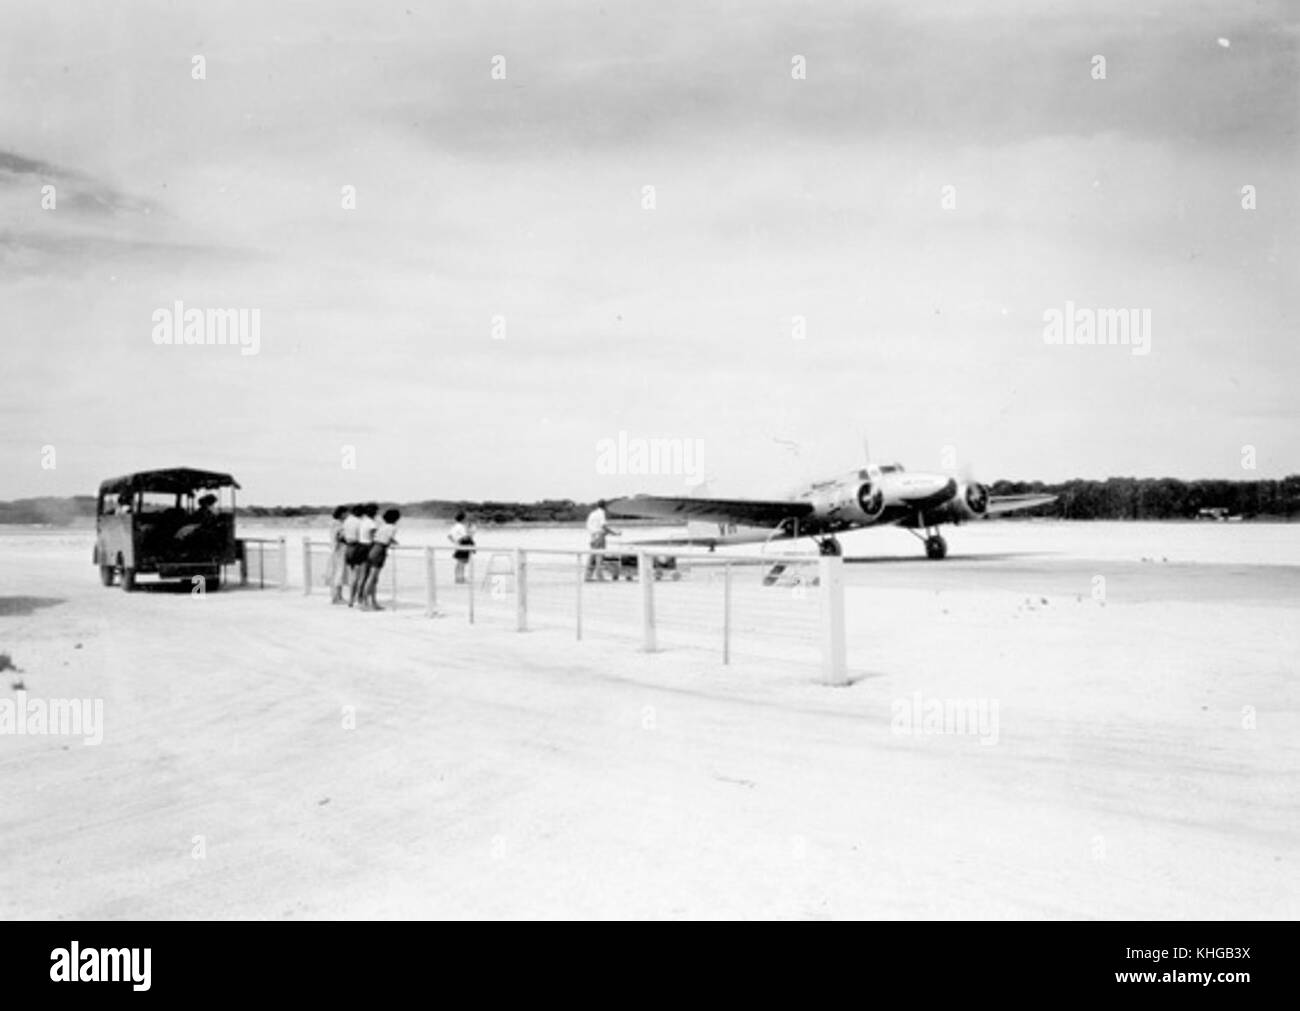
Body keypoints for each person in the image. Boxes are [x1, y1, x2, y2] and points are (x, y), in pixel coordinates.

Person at [359, 509, 400, 611]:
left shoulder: (382, 526)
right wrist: (394, 542)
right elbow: (387, 539)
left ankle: (372, 602)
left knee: (372, 578)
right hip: (380, 550)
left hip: (373, 548)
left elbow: (379, 536)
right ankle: (365, 602)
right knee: (372, 578)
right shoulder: (393, 528)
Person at [348, 503, 380, 607]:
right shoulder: (372, 523)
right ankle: (362, 599)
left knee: (355, 575)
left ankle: (351, 599)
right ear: (374, 512)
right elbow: (374, 537)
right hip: (367, 548)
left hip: (359, 547)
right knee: (365, 576)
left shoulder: (362, 522)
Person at [584, 499, 619, 581]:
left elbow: (589, 526)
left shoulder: (592, 513)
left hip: (593, 537)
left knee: (591, 557)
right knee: (599, 556)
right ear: (605, 506)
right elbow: (603, 526)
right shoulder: (601, 513)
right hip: (599, 537)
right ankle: (599, 576)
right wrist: (614, 533)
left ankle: (587, 576)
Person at [339, 504, 365, 605]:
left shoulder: (346, 521)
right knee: (361, 575)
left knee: (353, 575)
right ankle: (359, 598)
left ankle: (351, 599)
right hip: (358, 547)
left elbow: (342, 536)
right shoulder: (360, 522)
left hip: (349, 548)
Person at [325, 505, 349, 602]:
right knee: (339, 572)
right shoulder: (338, 524)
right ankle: (337, 597)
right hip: (339, 550)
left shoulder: (334, 523)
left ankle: (337, 596)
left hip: (335, 550)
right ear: (342, 513)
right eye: (346, 513)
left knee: (336, 572)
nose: (347, 515)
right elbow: (341, 537)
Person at [448, 511, 474, 584]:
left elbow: (449, 536)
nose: (466, 519)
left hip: (457, 546)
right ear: (463, 519)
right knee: (462, 563)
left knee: (459, 562)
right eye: (465, 518)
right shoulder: (461, 527)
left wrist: (455, 542)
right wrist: (470, 534)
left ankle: (457, 578)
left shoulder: (454, 526)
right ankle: (461, 579)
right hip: (463, 545)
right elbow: (465, 537)